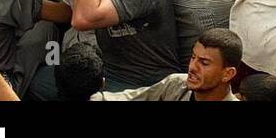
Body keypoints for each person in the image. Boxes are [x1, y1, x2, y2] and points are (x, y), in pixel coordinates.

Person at [97, 28, 242, 100]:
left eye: (204, 63)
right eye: (193, 57)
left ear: (228, 73)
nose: (192, 67)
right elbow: (132, 98)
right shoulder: (177, 84)